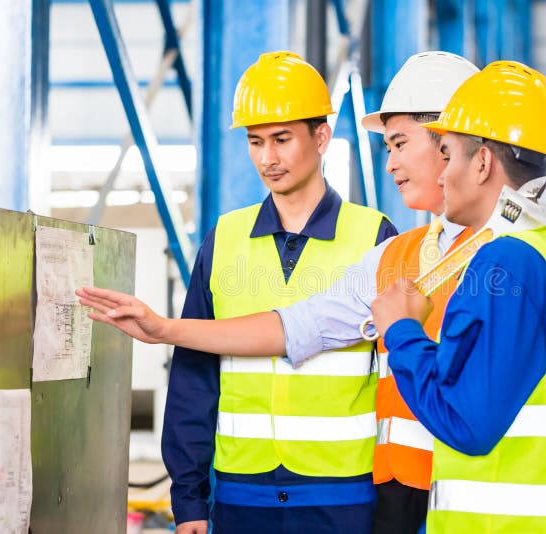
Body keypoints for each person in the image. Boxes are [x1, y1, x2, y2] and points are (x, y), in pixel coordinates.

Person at [78, 53, 546, 533]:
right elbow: (297, 326)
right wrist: (166, 329)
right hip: (404, 494)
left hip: (480, 489)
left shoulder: (533, 248)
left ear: (461, 142)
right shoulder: (401, 254)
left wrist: (523, 392)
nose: (390, 162)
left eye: (401, 143)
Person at [154, 51, 395, 534]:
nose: (268, 158)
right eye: (256, 141)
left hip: (344, 491)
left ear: (321, 137)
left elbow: (397, 376)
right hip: (242, 492)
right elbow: (193, 372)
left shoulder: (374, 237)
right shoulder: (224, 238)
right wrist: (189, 499)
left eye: (282, 139)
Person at [370, 60, 546, 533]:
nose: (441, 174)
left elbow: (467, 424)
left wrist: (402, 330)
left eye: (449, 154)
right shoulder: (545, 252)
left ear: (481, 163)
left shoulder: (504, 263)